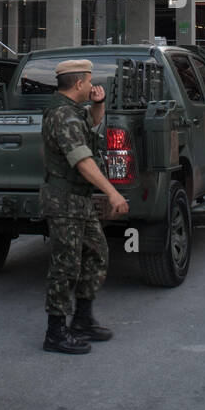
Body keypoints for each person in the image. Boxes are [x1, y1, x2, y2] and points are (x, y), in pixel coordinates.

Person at [39, 58, 129, 353]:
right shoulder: (62, 116)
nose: (92, 86)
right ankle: (55, 332)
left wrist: (99, 104)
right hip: (64, 199)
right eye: (89, 82)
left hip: (78, 199)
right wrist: (112, 193)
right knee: (66, 265)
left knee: (96, 252)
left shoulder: (72, 111)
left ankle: (82, 319)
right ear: (79, 83)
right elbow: (81, 159)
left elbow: (89, 123)